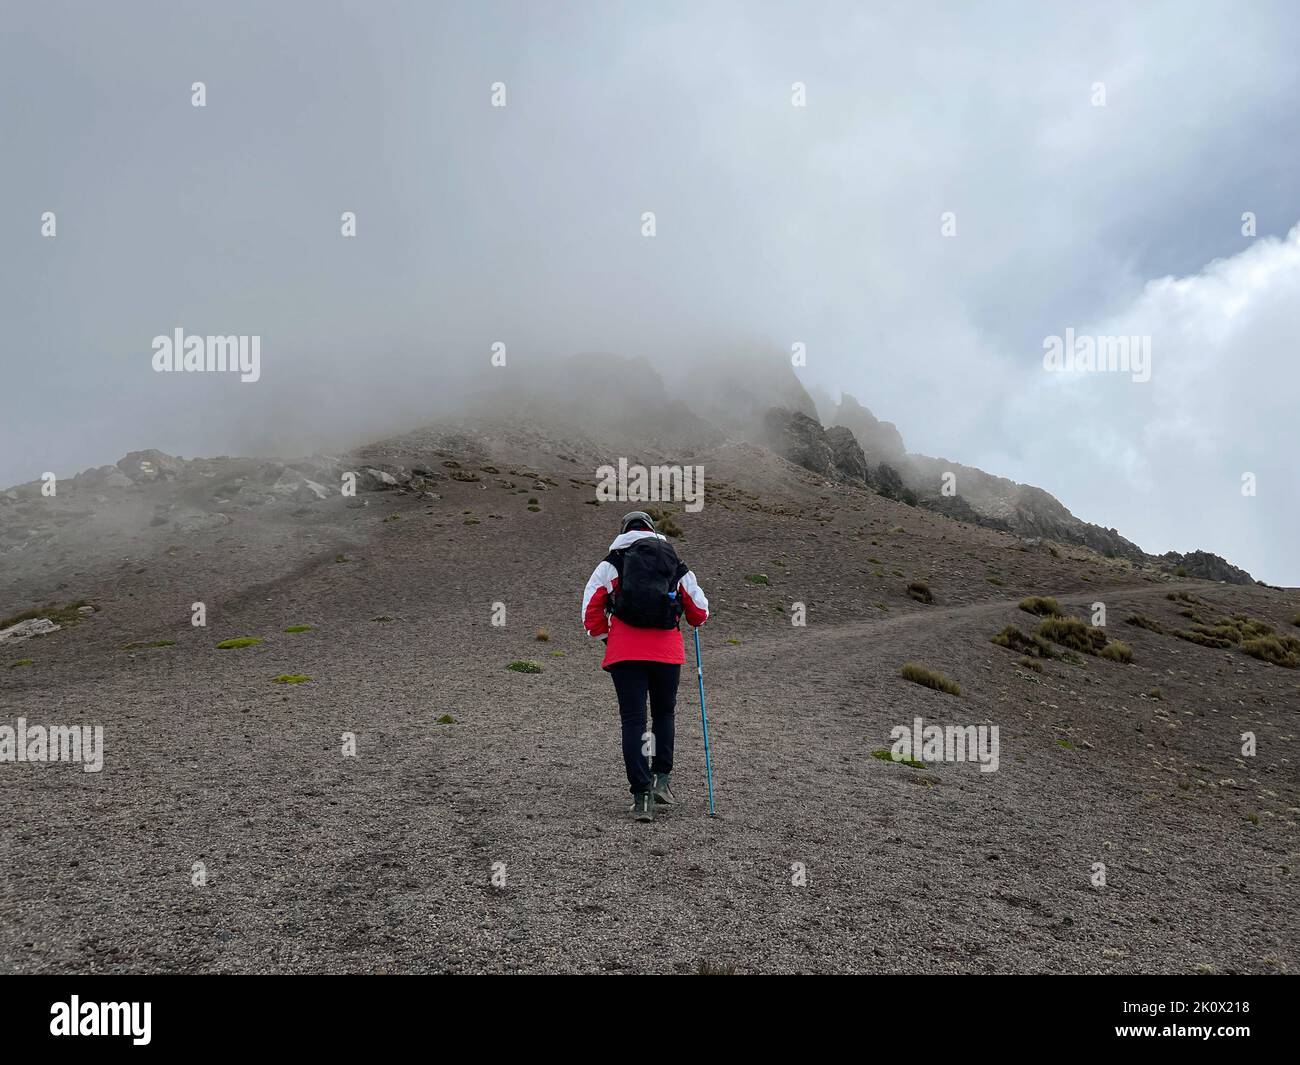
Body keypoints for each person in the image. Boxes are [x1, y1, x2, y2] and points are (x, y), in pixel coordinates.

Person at [581, 511, 709, 821]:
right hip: (667, 653)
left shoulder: (612, 562)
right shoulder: (674, 562)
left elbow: (590, 609)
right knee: (664, 714)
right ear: (652, 531)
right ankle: (661, 782)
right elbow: (700, 611)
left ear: (623, 530)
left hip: (625, 652)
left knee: (633, 721)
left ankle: (642, 798)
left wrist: (605, 637)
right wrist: (689, 616)